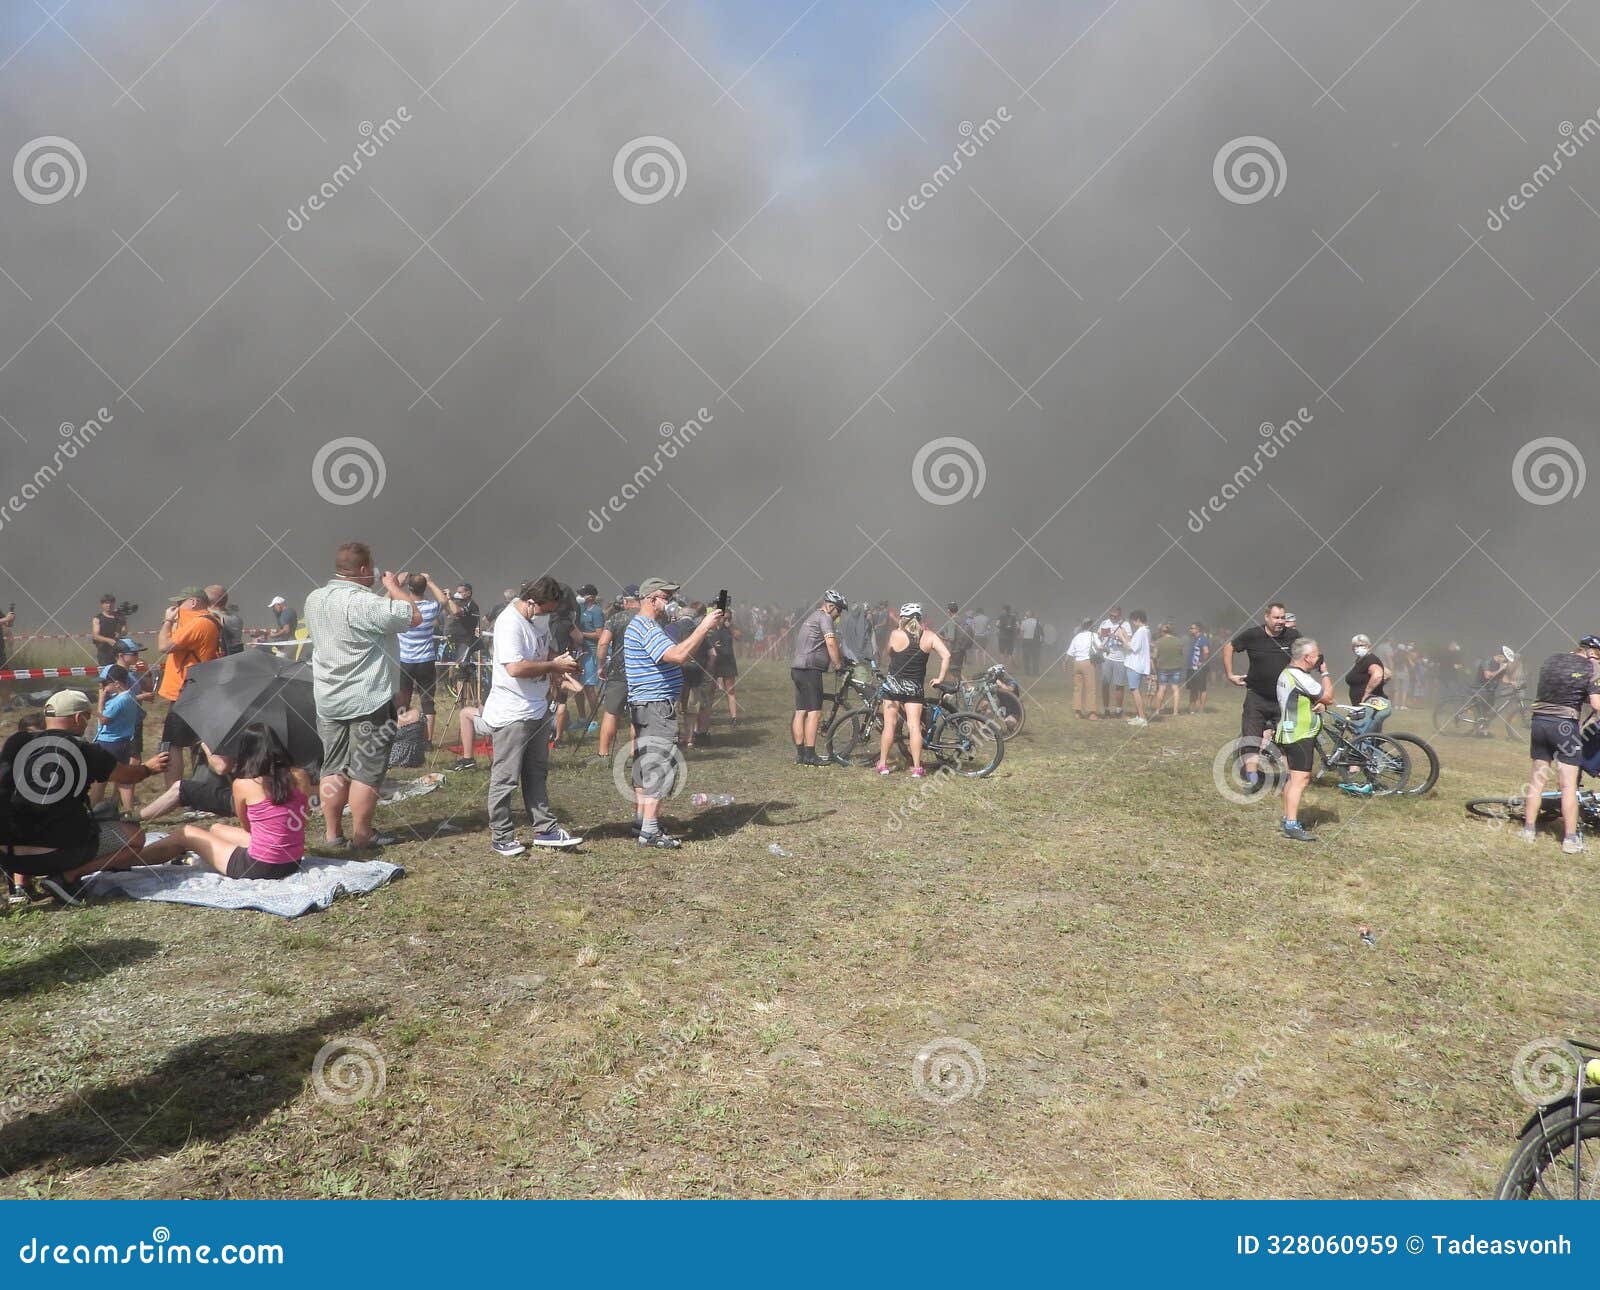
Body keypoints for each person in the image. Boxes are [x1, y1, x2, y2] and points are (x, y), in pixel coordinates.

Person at [302, 541, 421, 853]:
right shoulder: (365, 602)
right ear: (365, 569)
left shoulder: (314, 599)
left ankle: (332, 834)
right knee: (366, 772)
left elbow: (368, 617)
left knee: (332, 767)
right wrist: (394, 586)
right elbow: (413, 616)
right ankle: (362, 836)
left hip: (328, 698)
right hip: (368, 699)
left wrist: (383, 594)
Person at [0, 690, 170, 903]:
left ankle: (21, 885)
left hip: (8, 856)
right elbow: (128, 775)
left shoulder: (16, 743)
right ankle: (66, 878)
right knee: (134, 837)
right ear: (79, 718)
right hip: (56, 853)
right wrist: (149, 768)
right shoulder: (85, 750)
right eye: (87, 717)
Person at [481, 576, 583, 855]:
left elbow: (542, 649)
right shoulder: (509, 624)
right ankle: (502, 835)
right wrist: (552, 664)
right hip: (512, 711)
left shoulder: (537, 618)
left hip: (537, 708)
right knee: (506, 777)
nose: (549, 614)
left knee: (537, 773)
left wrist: (561, 663)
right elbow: (515, 667)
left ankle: (545, 830)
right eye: (547, 609)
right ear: (530, 602)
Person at [624, 577, 722, 848]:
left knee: (645, 764)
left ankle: (642, 821)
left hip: (645, 705)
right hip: (656, 706)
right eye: (665, 597)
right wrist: (703, 627)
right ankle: (650, 831)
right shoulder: (646, 627)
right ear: (650, 599)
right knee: (658, 766)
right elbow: (678, 656)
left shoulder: (645, 626)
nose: (669, 602)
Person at [140, 724, 311, 879]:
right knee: (215, 829)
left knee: (186, 833)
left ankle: (126, 861)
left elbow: (247, 827)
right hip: (292, 862)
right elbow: (303, 816)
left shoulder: (244, 784)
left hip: (259, 866)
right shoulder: (300, 776)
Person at [1522, 637, 1600, 853]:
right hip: (1563, 725)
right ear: (1593, 652)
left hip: (1539, 721)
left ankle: (1528, 830)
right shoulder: (1591, 665)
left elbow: (1559, 690)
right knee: (1568, 785)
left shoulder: (1552, 660)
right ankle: (1570, 839)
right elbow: (1596, 704)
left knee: (1537, 779)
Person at [1222, 603, 1300, 790]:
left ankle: (1289, 780)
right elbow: (1229, 647)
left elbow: (1311, 653)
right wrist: (1230, 674)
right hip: (1256, 697)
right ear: (1267, 617)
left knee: (1287, 741)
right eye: (1276, 617)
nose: (1280, 621)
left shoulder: (1293, 636)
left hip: (1284, 698)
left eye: (1282, 617)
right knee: (1251, 738)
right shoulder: (1253, 635)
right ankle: (1252, 778)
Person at [155, 586, 222, 788]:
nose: (175, 608)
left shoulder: (200, 623)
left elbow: (164, 646)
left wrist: (167, 621)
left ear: (193, 602)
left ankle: (175, 792)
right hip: (195, 688)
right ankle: (201, 787)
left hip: (186, 691)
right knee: (197, 741)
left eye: (179, 604)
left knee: (172, 744)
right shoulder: (206, 621)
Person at [1276, 638, 1333, 843]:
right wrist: (1325, 672)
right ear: (1307, 657)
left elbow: (1300, 700)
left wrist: (1316, 705)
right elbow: (1328, 696)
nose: (1319, 658)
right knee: (1301, 780)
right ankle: (1292, 824)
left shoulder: (1286, 673)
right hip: (1300, 735)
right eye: (1317, 655)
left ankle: (1287, 819)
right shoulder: (1300, 676)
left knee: (1292, 779)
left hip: (1288, 731)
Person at [790, 591, 845, 766]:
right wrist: (838, 664)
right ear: (831, 606)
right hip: (810, 669)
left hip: (797, 668)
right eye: (839, 611)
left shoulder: (812, 616)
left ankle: (801, 754)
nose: (839, 615)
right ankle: (811, 755)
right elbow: (830, 642)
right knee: (815, 713)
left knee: (800, 712)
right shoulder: (825, 618)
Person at [396, 573, 445, 744]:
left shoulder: (401, 607)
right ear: (424, 588)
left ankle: (402, 737)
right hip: (426, 660)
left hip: (405, 660)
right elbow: (444, 600)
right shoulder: (431, 607)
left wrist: (396, 584)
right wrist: (431, 582)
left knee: (403, 700)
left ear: (409, 588)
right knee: (427, 700)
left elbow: (380, 603)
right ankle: (428, 741)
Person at [88, 664, 143, 817]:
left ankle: (90, 811)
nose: (102, 687)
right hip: (124, 741)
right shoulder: (130, 695)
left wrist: (97, 704)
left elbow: (104, 719)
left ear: (117, 684)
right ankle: (128, 811)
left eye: (105, 684)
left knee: (100, 780)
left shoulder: (119, 701)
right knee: (123, 779)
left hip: (109, 743)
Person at [594, 587, 639, 761]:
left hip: (618, 674)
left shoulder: (616, 618)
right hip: (641, 674)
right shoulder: (649, 618)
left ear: (626, 602)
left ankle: (603, 754)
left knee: (611, 712)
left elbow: (603, 643)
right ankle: (635, 754)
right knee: (638, 714)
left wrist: (600, 665)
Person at [576, 584, 605, 734]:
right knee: (576, 687)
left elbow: (600, 634)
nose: (580, 596)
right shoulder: (580, 609)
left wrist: (582, 634)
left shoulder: (597, 611)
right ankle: (581, 718)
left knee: (589, 688)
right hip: (580, 653)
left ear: (591, 597)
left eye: (583, 594)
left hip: (591, 653)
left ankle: (594, 720)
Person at [1470, 645, 1513, 736]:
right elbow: (1488, 676)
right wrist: (1501, 669)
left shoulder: (1500, 665)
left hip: (1490, 691)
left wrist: (1513, 683)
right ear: (1500, 656)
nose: (1507, 662)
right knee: (1485, 712)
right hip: (1480, 689)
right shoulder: (1486, 662)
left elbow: (1503, 679)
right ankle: (1480, 731)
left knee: (1489, 712)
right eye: (1506, 660)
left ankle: (1483, 731)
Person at [706, 605, 738, 723]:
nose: (726, 621)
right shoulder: (712, 630)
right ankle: (707, 716)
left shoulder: (729, 630)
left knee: (730, 690)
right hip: (715, 662)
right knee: (711, 692)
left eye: (728, 619)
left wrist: (730, 627)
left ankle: (734, 717)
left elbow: (739, 636)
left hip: (728, 662)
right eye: (724, 618)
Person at [1120, 610, 1152, 727]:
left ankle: (1142, 718)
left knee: (1135, 691)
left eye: (1133, 620)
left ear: (1138, 619)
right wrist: (1125, 635)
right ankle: (1139, 716)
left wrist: (1121, 637)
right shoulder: (1146, 631)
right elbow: (1134, 644)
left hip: (1135, 665)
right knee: (1135, 690)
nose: (1133, 623)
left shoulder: (1141, 631)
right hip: (1139, 664)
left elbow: (1132, 647)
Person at [1151, 622, 1186, 721]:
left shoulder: (1158, 642)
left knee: (1161, 688)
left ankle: (1158, 710)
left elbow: (1154, 656)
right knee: (1175, 689)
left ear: (1162, 631)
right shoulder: (1178, 641)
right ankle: (1175, 712)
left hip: (1162, 668)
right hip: (1176, 667)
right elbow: (1181, 653)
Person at [1096, 606, 1127, 718]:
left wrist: (1117, 637)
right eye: (1111, 615)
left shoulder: (1125, 624)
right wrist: (1100, 637)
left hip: (1120, 658)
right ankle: (1106, 709)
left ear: (1120, 615)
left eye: (1115, 616)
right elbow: (1098, 637)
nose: (1113, 618)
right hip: (1106, 657)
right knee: (1105, 684)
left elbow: (1128, 642)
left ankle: (1119, 710)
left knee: (1119, 685)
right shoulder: (1104, 623)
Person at [1065, 618, 1098, 718]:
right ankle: (1092, 713)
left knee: (1077, 688)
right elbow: (1100, 647)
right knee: (1090, 688)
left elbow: (1069, 652)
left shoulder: (1077, 637)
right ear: (1091, 626)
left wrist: (1065, 663)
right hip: (1088, 663)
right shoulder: (1094, 635)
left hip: (1077, 663)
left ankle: (1077, 712)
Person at [1346, 634, 1388, 707]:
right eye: (1356, 646)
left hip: (1369, 704)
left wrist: (1367, 693)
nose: (1359, 648)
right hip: (1359, 705)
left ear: (1369, 646)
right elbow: (1387, 673)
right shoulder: (1360, 660)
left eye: (1362, 645)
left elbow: (1378, 675)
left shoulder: (1370, 659)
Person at [943, 602, 977, 687]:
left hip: (955, 650)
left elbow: (951, 638)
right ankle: (957, 687)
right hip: (962, 649)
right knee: (956, 670)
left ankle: (969, 687)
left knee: (954, 670)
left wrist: (942, 638)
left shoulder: (951, 621)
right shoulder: (962, 620)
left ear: (948, 611)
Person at [90, 594, 127, 667]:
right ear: (102, 605)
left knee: (120, 671)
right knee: (107, 672)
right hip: (104, 651)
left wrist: (120, 632)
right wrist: (109, 640)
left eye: (111, 603)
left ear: (114, 604)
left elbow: (125, 631)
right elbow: (95, 636)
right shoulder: (98, 618)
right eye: (106, 603)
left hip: (118, 650)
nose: (109, 605)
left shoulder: (119, 616)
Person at [206, 585, 244, 656]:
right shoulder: (236, 618)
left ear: (206, 600)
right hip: (235, 656)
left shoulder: (211, 617)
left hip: (221, 659)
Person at [1185, 622, 1212, 714]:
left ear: (1198, 629)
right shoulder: (1193, 639)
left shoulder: (1203, 639)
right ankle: (1192, 709)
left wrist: (1202, 662)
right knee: (1193, 688)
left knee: (1202, 688)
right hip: (1191, 668)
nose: (1190, 630)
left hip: (1199, 669)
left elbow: (1206, 651)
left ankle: (1201, 709)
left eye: (1192, 628)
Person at [1018, 609, 1040, 676]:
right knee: (1035, 657)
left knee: (1026, 657)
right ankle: (1035, 672)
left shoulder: (1023, 622)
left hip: (1026, 640)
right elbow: (1039, 632)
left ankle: (1027, 672)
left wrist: (1021, 640)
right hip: (1034, 641)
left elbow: (1021, 633)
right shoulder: (1037, 622)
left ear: (1026, 615)